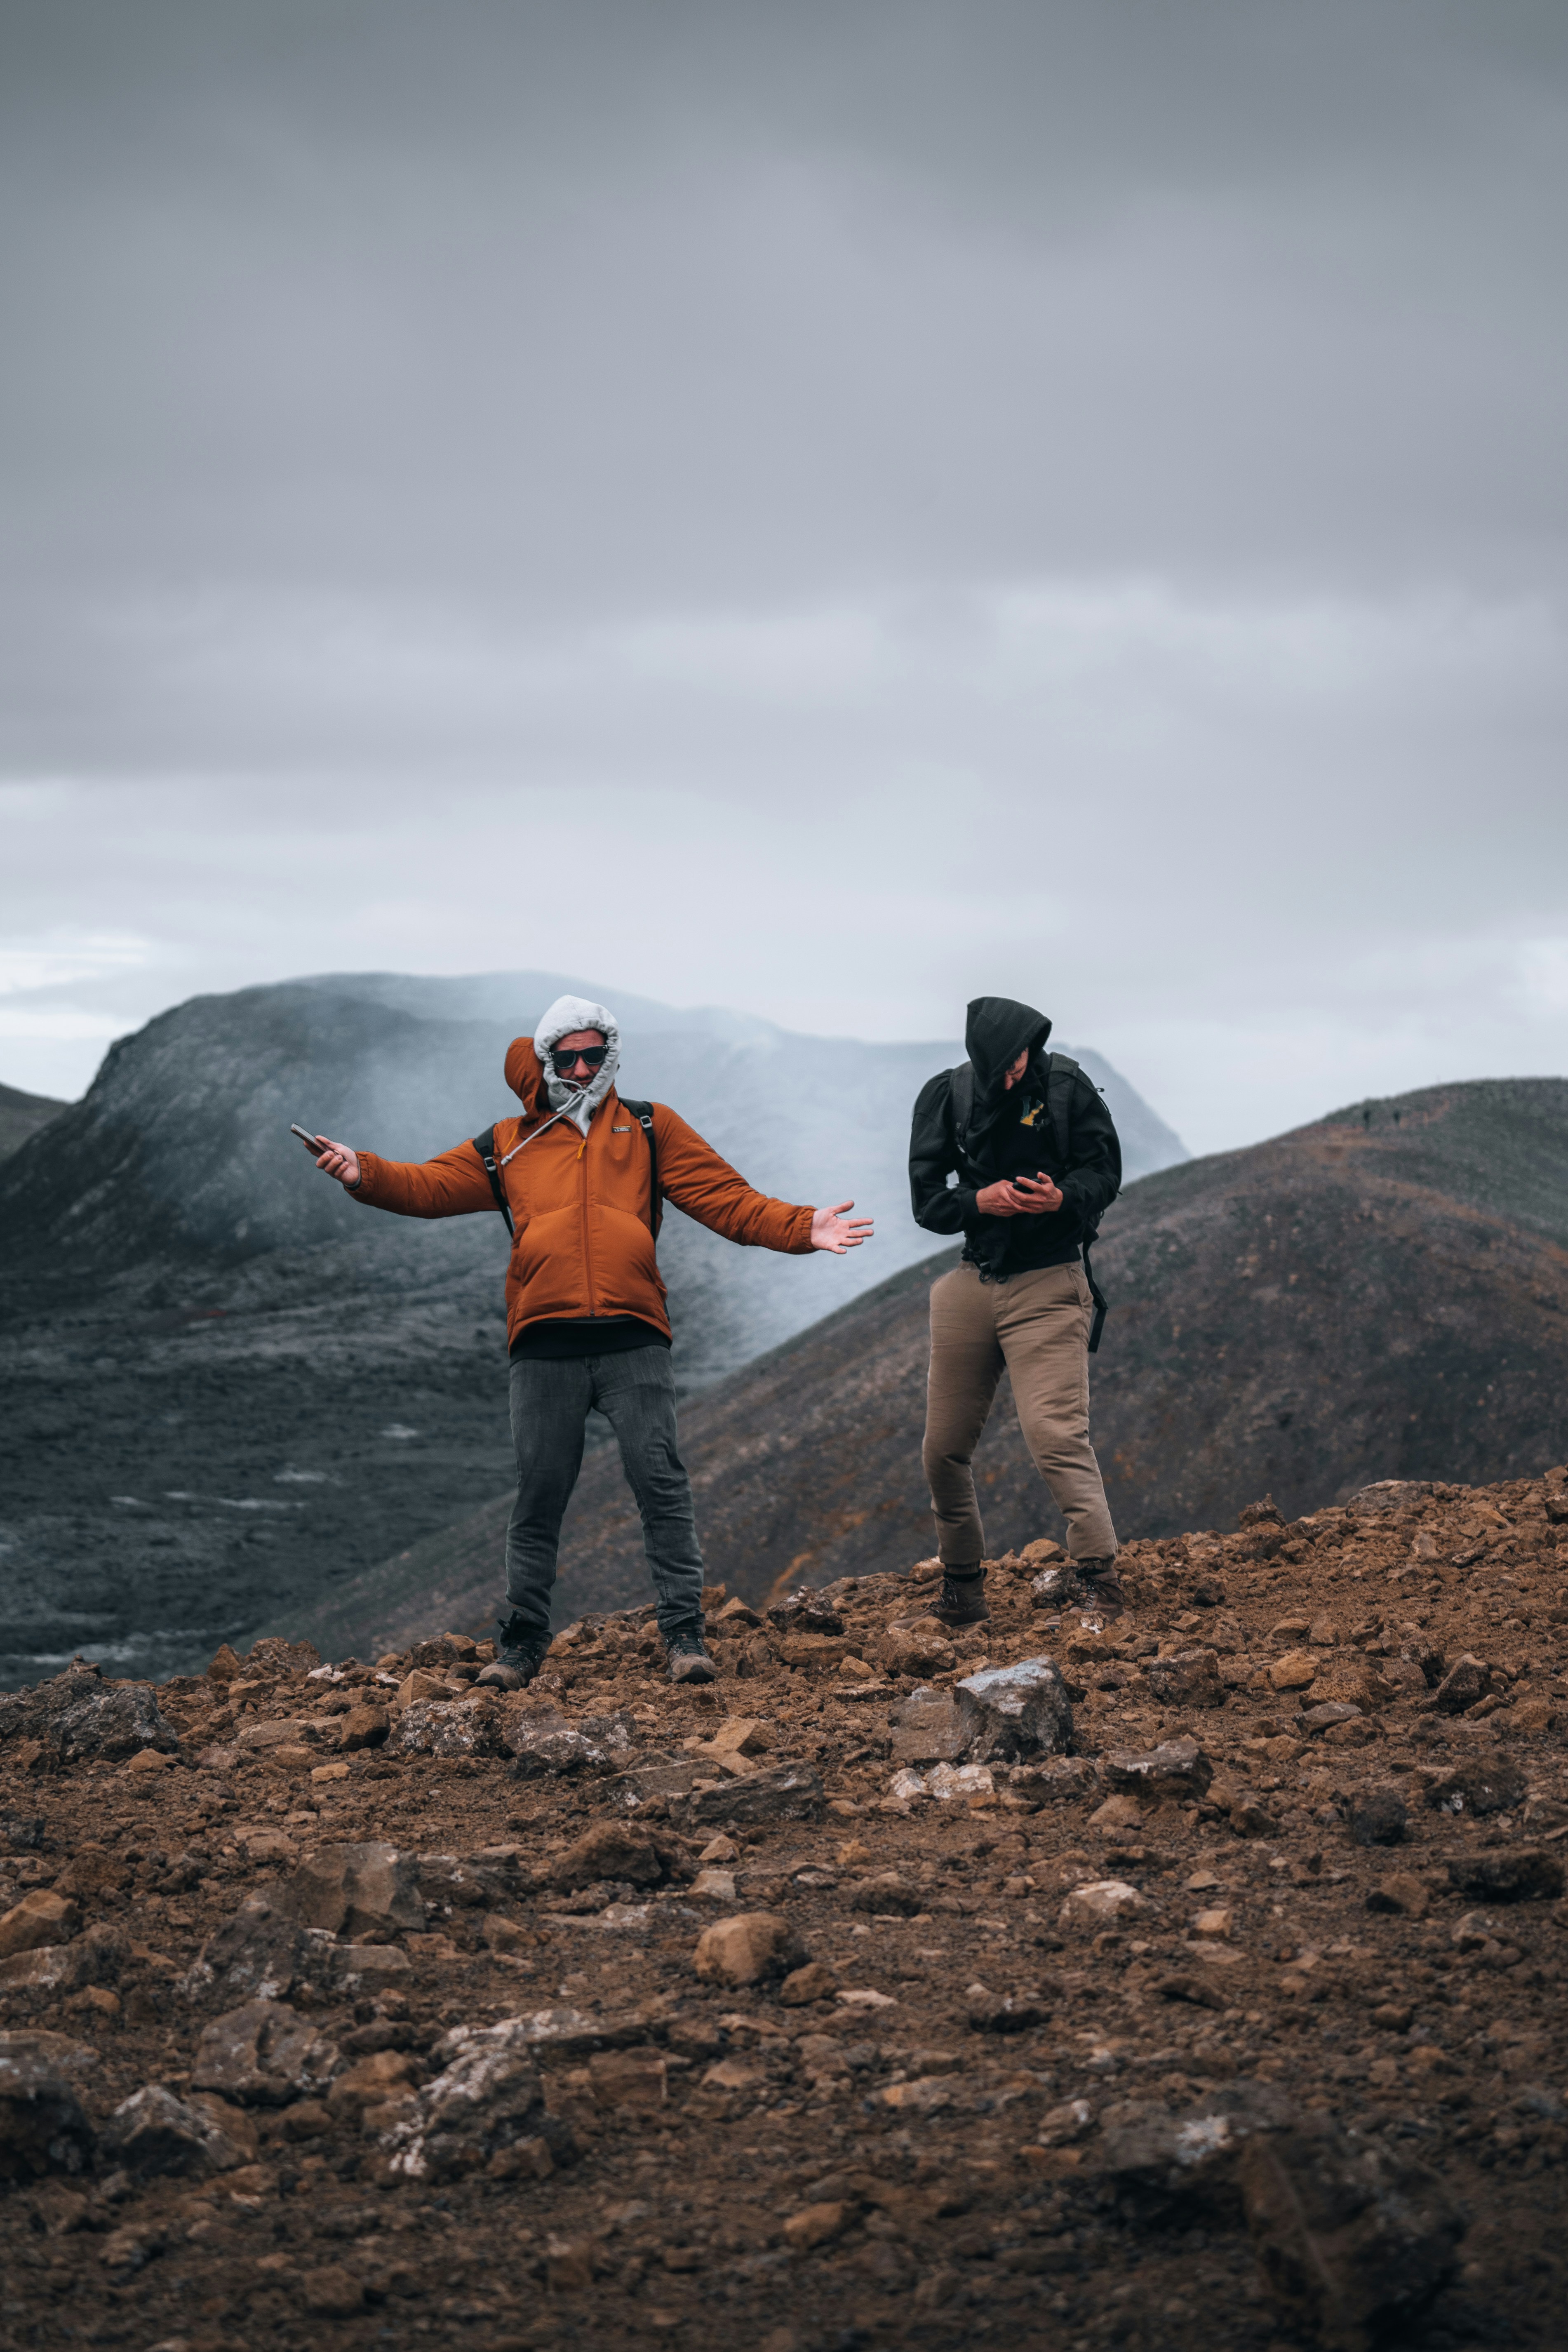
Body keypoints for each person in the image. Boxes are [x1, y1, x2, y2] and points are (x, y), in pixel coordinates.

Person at [303, 993, 872, 1686]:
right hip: (544, 1341)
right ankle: (520, 1646)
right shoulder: (507, 1143)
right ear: (545, 1062)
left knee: (659, 1484)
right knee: (540, 1494)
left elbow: (727, 1198)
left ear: (611, 1055)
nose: (581, 1067)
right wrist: (363, 1172)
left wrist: (801, 1227)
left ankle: (685, 1637)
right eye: (565, 1056)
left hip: (634, 1335)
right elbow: (426, 1186)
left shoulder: (649, 1126)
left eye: (593, 1054)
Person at [907, 995, 1124, 1620]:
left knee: (1056, 1434)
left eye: (1019, 1061)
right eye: (1001, 1066)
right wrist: (983, 1203)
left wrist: (1061, 1199)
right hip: (972, 1283)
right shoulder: (947, 1097)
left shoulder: (1064, 1088)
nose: (1012, 1074)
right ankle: (963, 1590)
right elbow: (928, 1203)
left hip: (1049, 1283)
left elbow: (1105, 1174)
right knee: (942, 1449)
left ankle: (1101, 1583)